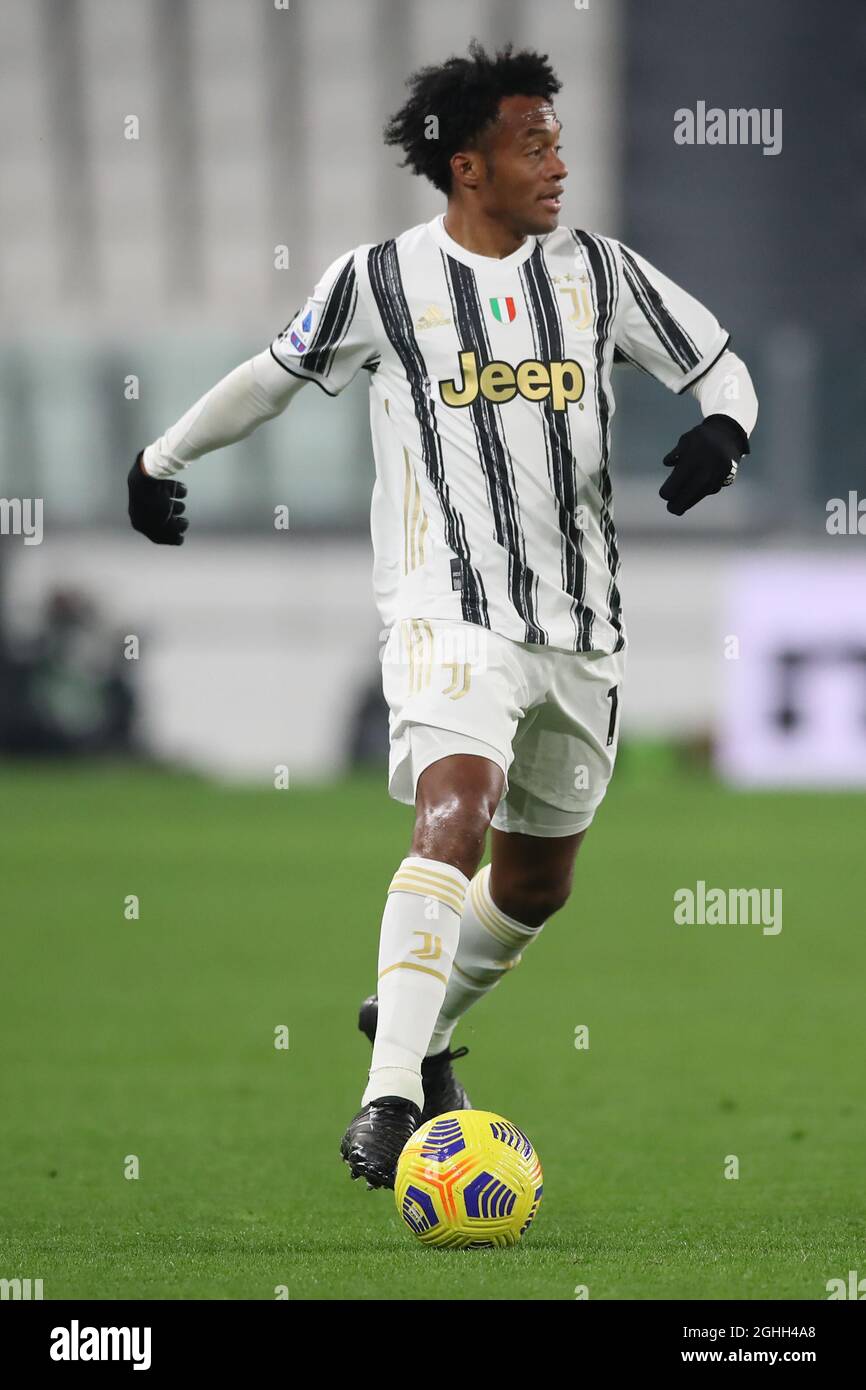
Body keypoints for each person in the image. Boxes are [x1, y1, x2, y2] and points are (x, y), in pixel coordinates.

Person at [128, 42, 758, 1191]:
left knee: (531, 888)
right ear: (468, 166)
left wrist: (722, 433)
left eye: (558, 139)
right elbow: (272, 376)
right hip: (446, 610)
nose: (557, 162)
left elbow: (720, 362)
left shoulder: (599, 274)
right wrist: (162, 455)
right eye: (533, 143)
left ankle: (404, 1019)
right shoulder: (378, 280)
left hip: (581, 630)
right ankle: (387, 1106)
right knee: (452, 811)